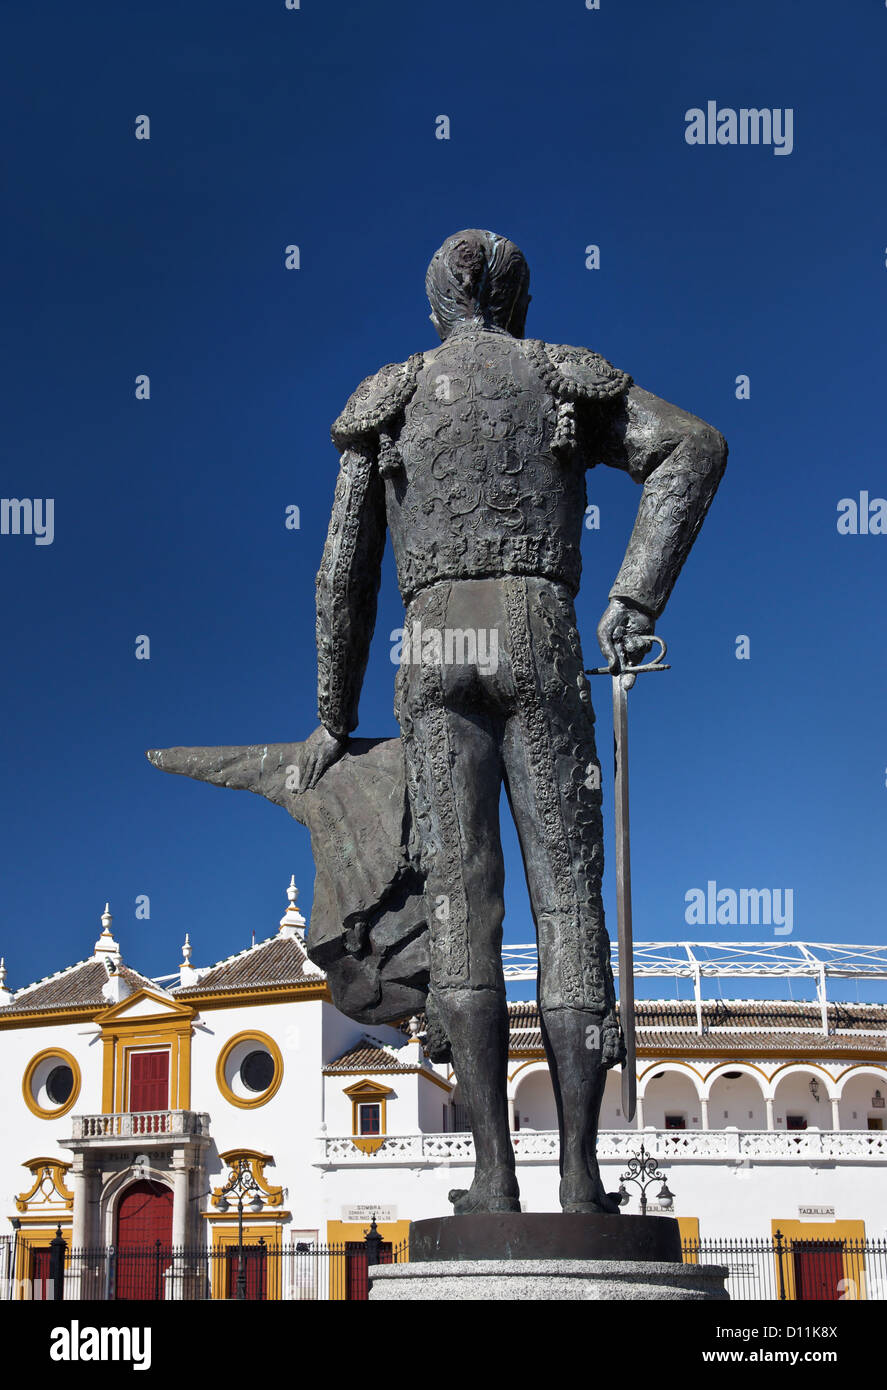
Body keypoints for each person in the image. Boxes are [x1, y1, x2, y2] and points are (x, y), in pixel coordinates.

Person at [302, 230, 727, 1214]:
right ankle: (580, 1179)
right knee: (567, 902)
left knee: (460, 906)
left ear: (434, 303)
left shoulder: (390, 396)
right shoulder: (562, 378)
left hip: (434, 642)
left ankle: (491, 1177)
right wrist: (633, 599)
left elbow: (339, 575)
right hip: (539, 632)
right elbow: (691, 448)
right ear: (516, 297)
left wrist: (334, 713)